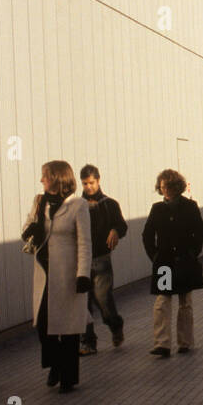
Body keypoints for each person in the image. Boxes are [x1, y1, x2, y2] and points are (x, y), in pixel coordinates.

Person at [22, 161, 92, 392]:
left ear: (56, 178)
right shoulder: (40, 201)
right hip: (44, 273)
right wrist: (31, 230)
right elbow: (28, 227)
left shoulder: (78, 205)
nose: (41, 180)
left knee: (68, 327)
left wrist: (83, 274)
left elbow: (84, 241)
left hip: (67, 272)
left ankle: (68, 377)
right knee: (43, 323)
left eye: (45, 176)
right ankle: (55, 363)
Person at [142, 169, 203, 357]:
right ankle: (162, 343)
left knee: (185, 302)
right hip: (164, 264)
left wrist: (192, 253)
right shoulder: (157, 208)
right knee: (162, 301)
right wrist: (154, 256)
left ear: (176, 187)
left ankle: (185, 342)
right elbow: (147, 235)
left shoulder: (190, 206)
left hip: (185, 262)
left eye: (168, 186)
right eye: (162, 187)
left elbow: (200, 234)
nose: (165, 190)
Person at [79, 165, 127, 355]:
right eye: (85, 184)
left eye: (91, 183)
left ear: (98, 181)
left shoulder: (110, 204)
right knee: (83, 303)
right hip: (81, 260)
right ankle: (88, 342)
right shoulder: (77, 205)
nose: (88, 187)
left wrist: (115, 230)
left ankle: (115, 324)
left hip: (101, 259)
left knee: (102, 299)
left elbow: (122, 226)